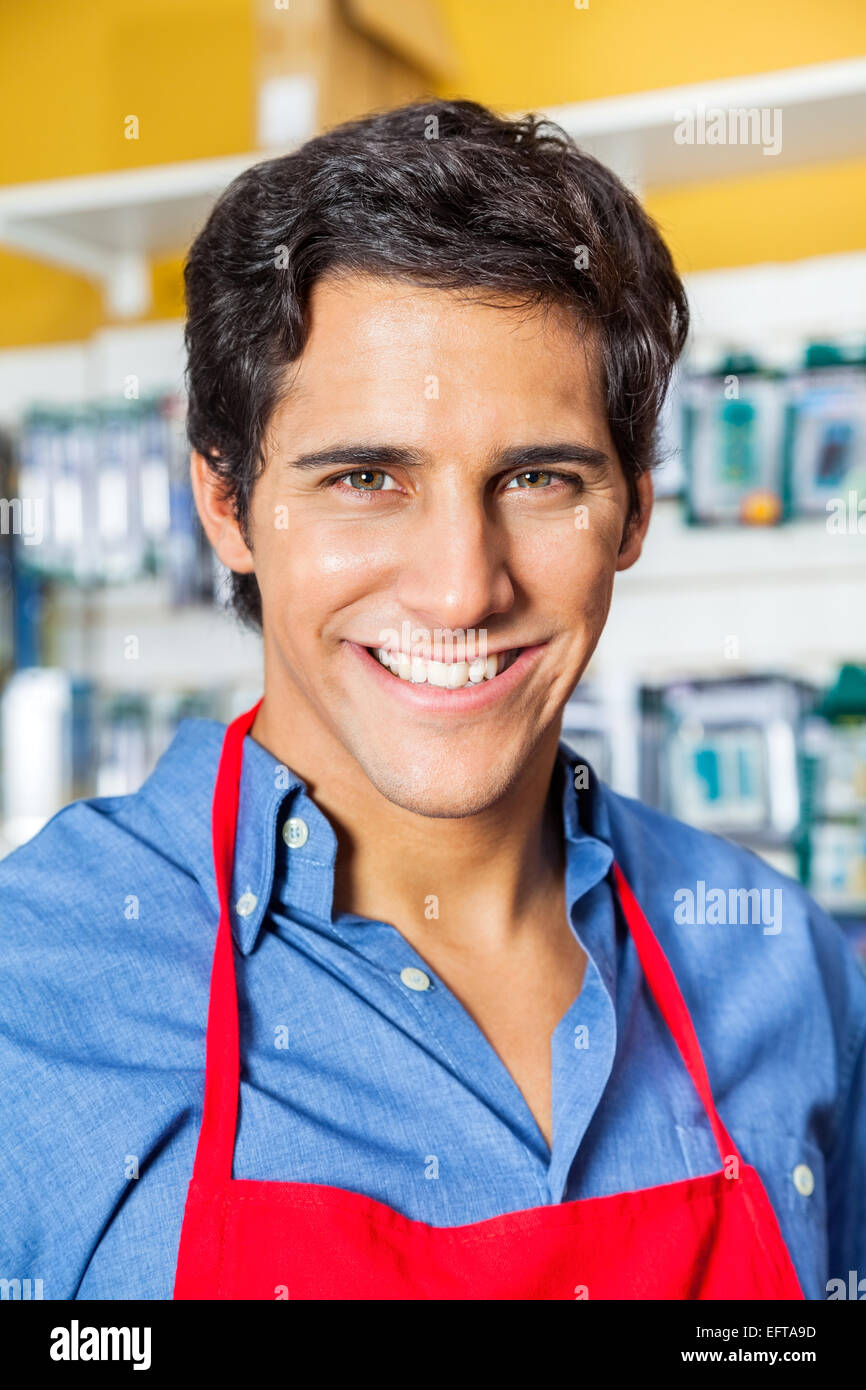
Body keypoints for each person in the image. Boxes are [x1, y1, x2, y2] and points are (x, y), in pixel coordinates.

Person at [1, 99, 863, 1301]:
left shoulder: (776, 963)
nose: (462, 589)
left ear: (632, 511)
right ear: (226, 507)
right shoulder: (29, 987)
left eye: (538, 477)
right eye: (365, 477)